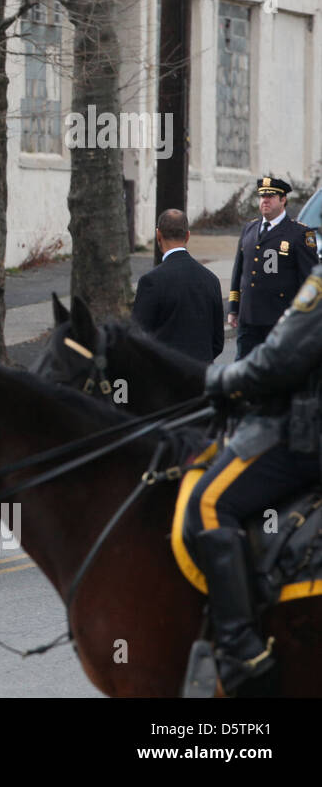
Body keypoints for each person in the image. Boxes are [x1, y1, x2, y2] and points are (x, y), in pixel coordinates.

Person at [186, 263, 322, 694]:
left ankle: (243, 649)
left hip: (308, 435)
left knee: (207, 503)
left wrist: (220, 378)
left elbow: (278, 360)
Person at [228, 176, 317, 359]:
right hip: (249, 317)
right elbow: (239, 272)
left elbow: (309, 281)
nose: (265, 201)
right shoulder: (249, 229)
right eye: (262, 197)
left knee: (276, 375)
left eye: (271, 196)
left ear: (283, 200)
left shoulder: (299, 233)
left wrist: (305, 319)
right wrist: (233, 308)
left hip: (278, 320)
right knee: (242, 372)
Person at [131, 209, 224, 362]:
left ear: (158, 235)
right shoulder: (211, 280)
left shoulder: (151, 282)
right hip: (201, 375)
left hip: (166, 376)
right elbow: (217, 342)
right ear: (187, 236)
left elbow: (138, 339)